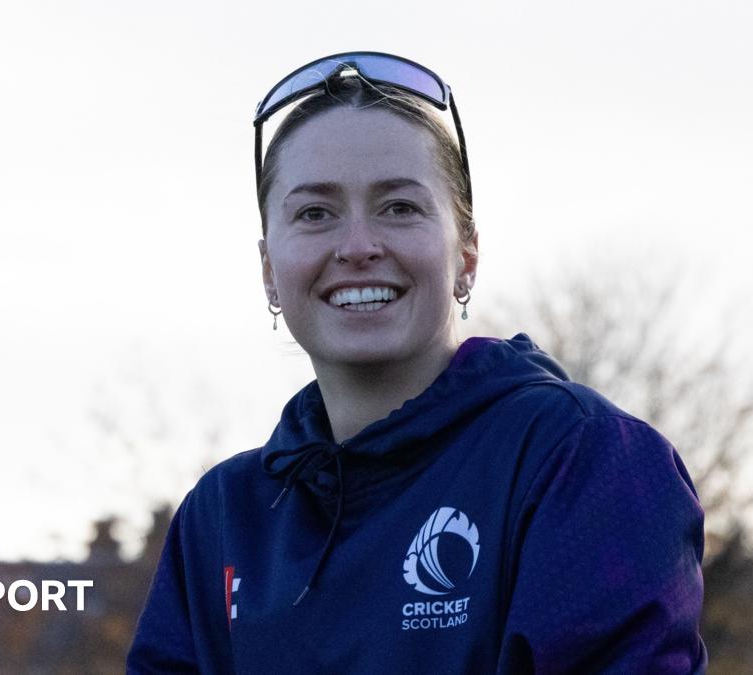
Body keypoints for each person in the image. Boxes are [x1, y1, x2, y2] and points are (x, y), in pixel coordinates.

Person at [128, 51, 708, 674]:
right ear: (270, 272)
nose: (357, 247)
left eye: (399, 207)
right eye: (315, 214)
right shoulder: (222, 517)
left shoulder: (576, 459)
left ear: (467, 253)